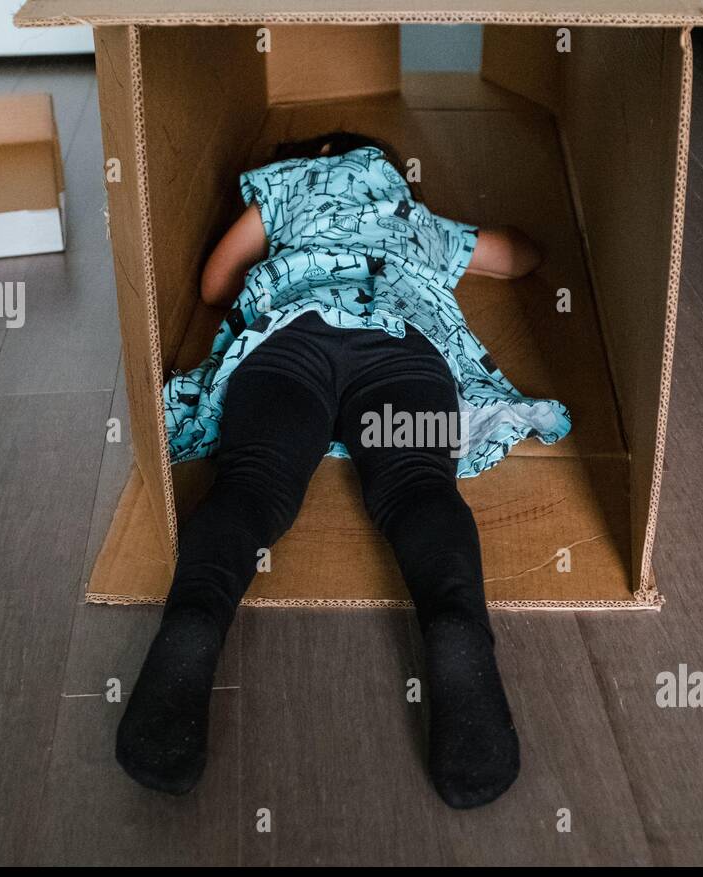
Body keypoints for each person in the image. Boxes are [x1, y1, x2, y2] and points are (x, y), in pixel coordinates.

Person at [115, 132, 570, 809]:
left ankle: (195, 622)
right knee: (418, 488)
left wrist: (282, 239)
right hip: (400, 347)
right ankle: (454, 627)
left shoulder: (286, 188)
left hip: (289, 343)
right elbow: (517, 257)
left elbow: (214, 284)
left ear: (316, 153)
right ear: (392, 174)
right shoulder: (416, 221)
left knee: (252, 486)